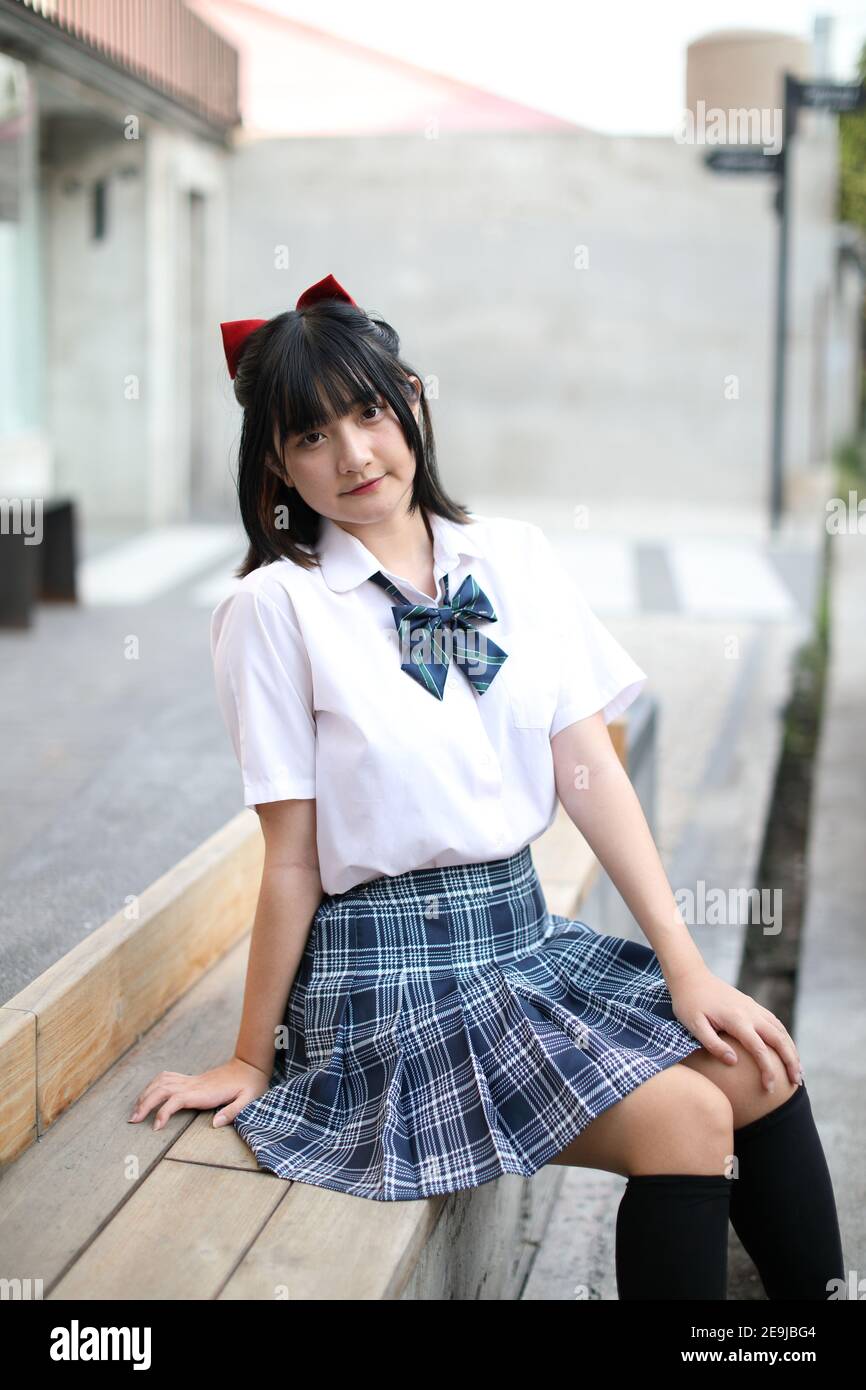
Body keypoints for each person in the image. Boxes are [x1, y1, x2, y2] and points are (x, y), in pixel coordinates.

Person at [129, 274, 844, 1301]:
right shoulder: (274, 610)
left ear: (412, 400)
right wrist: (253, 1056)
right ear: (277, 465)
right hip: (386, 985)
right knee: (688, 1120)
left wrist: (685, 965)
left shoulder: (511, 558)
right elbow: (288, 856)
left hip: (519, 940)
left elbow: (588, 769)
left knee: (762, 1066)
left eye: (368, 411)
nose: (354, 455)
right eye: (311, 436)